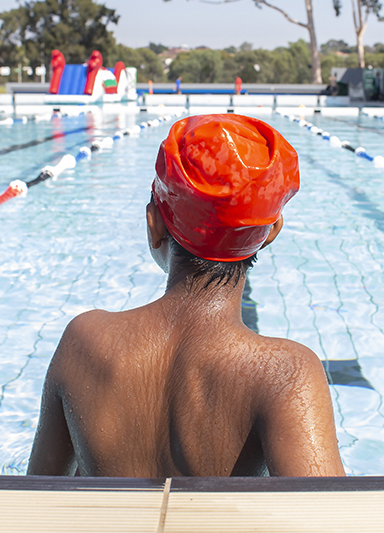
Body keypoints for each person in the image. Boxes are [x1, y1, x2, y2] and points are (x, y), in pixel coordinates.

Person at [27, 114, 346, 478]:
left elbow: (34, 495)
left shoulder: (82, 341)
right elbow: (330, 520)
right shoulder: (284, 374)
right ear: (271, 231)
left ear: (155, 223)